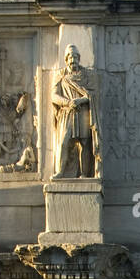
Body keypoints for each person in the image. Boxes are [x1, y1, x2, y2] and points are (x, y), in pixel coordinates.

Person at [53, 44, 99, 178]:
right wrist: (68, 102)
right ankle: (60, 172)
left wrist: (79, 101)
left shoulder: (86, 75)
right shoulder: (61, 75)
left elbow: (92, 94)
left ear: (79, 58)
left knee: (85, 143)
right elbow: (54, 96)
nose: (73, 60)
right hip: (67, 113)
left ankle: (85, 174)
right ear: (66, 60)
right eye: (70, 57)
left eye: (75, 56)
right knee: (63, 142)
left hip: (83, 112)